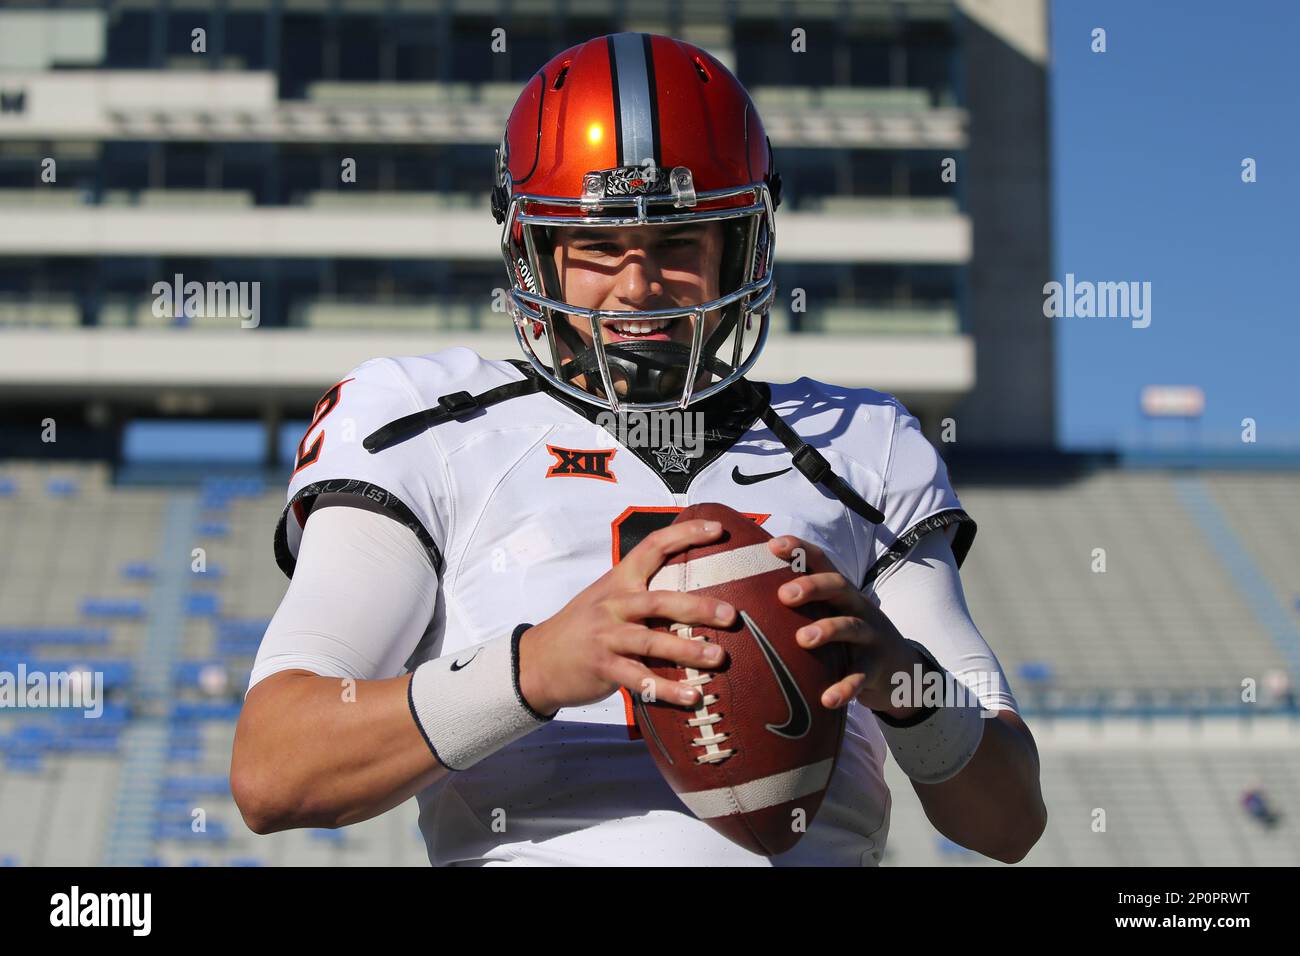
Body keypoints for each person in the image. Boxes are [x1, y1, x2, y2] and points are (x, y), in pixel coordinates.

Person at [231, 32, 1046, 866]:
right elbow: (275, 769)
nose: (637, 285)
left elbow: (1011, 821)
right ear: (535, 255)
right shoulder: (427, 423)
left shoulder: (859, 442)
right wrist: (536, 670)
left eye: (678, 245)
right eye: (595, 247)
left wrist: (909, 688)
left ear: (741, 246)